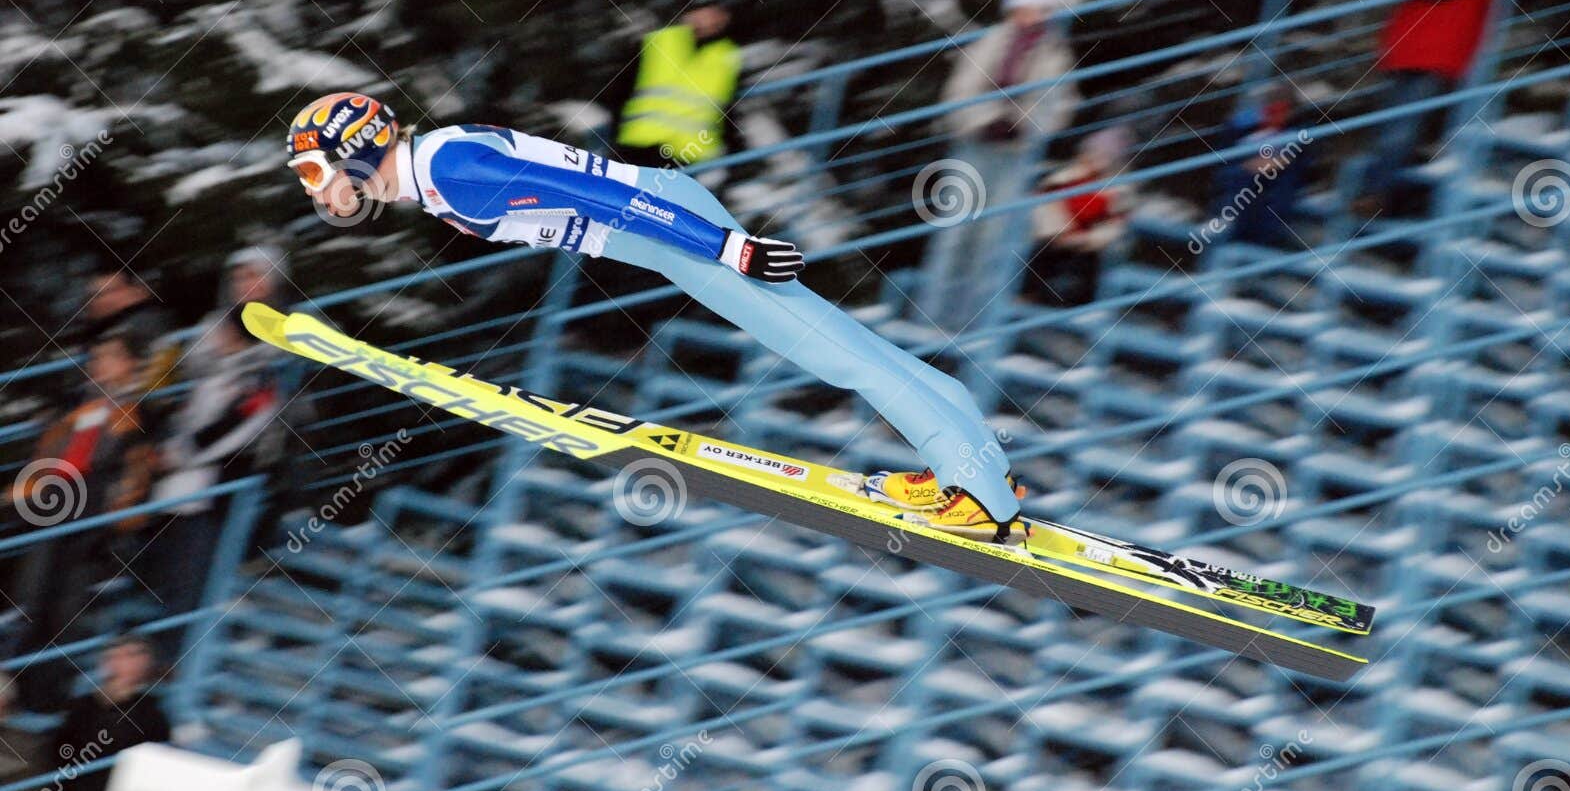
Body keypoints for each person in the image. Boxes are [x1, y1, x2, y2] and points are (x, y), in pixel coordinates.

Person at [284, 93, 1025, 541]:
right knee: (846, 343)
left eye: (316, 170)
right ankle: (975, 465)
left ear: (356, 150)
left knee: (835, 356)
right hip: (666, 232)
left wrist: (725, 246)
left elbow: (603, 199)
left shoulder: (448, 170)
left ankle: (981, 497)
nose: (317, 191)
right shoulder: (435, 172)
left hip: (669, 226)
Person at [918, 0, 1079, 332]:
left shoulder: (1056, 55)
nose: (1032, 16)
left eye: (1039, 9)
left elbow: (1057, 107)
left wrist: (1020, 123)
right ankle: (931, 319)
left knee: (993, 239)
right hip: (975, 146)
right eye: (1027, 8)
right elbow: (960, 93)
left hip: (1016, 154)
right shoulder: (991, 43)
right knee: (956, 234)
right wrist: (989, 118)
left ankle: (969, 325)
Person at [8, 329, 158, 711]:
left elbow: (132, 476)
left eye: (107, 358)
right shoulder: (81, 409)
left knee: (64, 613)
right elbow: (52, 455)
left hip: (89, 530)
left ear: (127, 364)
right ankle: (23, 691)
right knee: (34, 602)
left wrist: (112, 522)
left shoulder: (133, 415)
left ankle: (46, 699)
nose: (97, 366)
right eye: (96, 359)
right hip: (56, 517)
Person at [1359, 0, 1510, 213]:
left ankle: (1379, 197)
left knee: (1402, 128)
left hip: (1446, 43)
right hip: (1408, 38)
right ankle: (1381, 198)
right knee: (1388, 125)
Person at [148, 306, 281, 627]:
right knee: (165, 582)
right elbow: (186, 421)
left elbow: (234, 430)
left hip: (213, 496)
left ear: (236, 333)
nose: (215, 336)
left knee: (189, 590)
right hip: (182, 493)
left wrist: (178, 455)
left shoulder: (258, 379)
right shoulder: (216, 374)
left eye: (222, 330)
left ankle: (177, 657)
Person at [27, 637, 170, 791]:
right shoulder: (83, 706)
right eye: (121, 654)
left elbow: (154, 770)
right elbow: (59, 752)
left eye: (137, 654)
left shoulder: (152, 715)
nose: (130, 661)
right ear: (107, 662)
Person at [609, 0, 742, 170]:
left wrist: (735, 151)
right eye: (700, 11)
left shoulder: (727, 57)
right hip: (638, 148)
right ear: (686, 14)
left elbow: (728, 109)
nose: (706, 19)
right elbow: (618, 92)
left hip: (688, 156)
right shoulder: (659, 42)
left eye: (714, 13)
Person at [1026, 127, 1131, 306]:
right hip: (1054, 237)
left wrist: (1088, 240)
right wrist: (1059, 233)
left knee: (1088, 265)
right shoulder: (1064, 176)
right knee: (1040, 254)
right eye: (1093, 152)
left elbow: (1116, 224)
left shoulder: (1117, 189)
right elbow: (1044, 203)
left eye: (1105, 156)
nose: (1097, 158)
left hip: (1086, 247)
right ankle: (1029, 295)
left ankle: (1074, 306)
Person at [1207, 87, 1312, 249]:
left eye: (1281, 111)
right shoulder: (1243, 126)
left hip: (1276, 179)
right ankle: (1230, 227)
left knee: (1273, 188)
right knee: (1236, 177)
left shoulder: (1297, 131)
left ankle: (1257, 240)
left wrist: (1260, 165)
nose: (1275, 116)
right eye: (1271, 111)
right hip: (1243, 175)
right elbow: (1226, 155)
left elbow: (1286, 160)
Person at [73, 265, 178, 397]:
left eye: (111, 291)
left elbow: (160, 366)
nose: (104, 300)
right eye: (95, 296)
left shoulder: (149, 320)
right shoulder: (93, 334)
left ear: (135, 291)